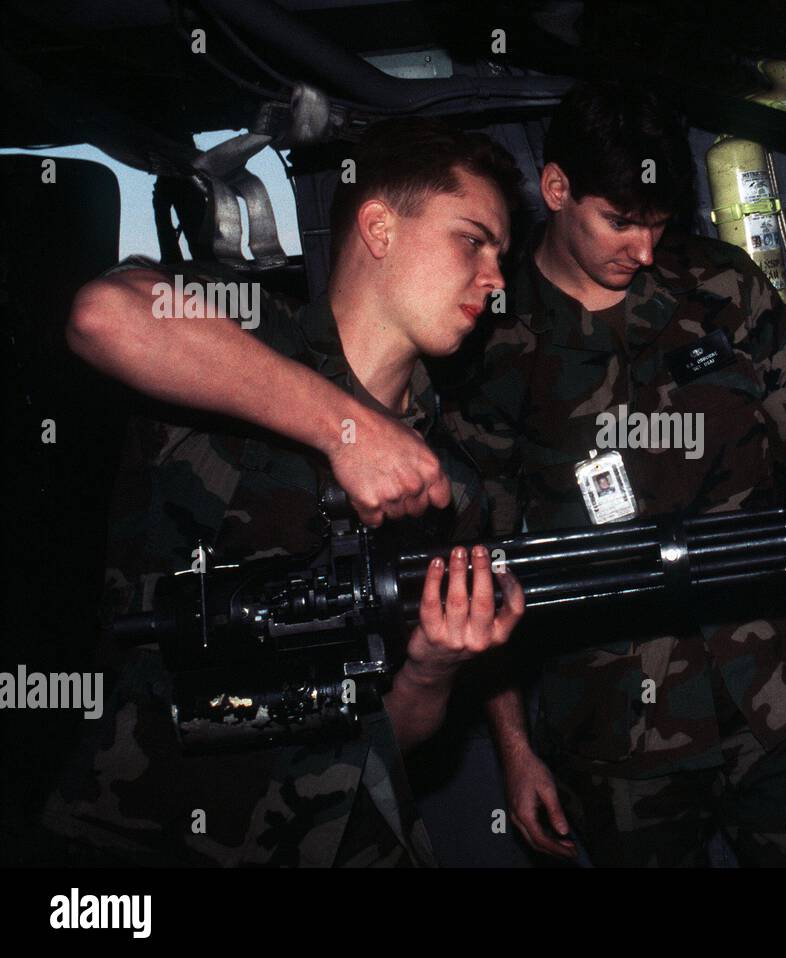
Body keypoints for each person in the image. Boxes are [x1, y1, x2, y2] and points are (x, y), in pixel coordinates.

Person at [445, 81, 786, 866]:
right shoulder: (493, 339)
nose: (642, 251)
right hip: (619, 734)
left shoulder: (721, 287)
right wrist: (515, 749)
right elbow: (479, 564)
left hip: (779, 694)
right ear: (558, 188)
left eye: (659, 223)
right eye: (620, 221)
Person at [42, 117, 526, 867]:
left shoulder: (451, 484)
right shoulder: (244, 336)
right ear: (379, 227)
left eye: (501, 253)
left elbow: (387, 735)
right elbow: (104, 314)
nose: (496, 279)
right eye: (473, 240)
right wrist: (345, 429)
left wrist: (434, 669)